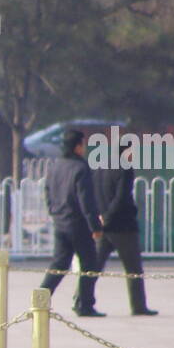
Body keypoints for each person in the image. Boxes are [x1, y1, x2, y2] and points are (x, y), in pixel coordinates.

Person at [39, 127, 104, 317]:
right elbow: (86, 201)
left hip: (60, 222)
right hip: (78, 224)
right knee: (89, 264)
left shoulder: (56, 165)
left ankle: (41, 297)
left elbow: (47, 191)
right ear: (77, 147)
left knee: (59, 264)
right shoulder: (81, 168)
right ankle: (84, 304)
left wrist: (53, 211)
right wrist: (95, 226)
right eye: (82, 145)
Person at [92, 143, 157, 315]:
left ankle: (82, 300)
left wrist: (101, 216)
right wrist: (108, 215)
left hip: (104, 226)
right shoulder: (124, 169)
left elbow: (95, 193)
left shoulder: (100, 167)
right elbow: (121, 197)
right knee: (134, 268)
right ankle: (138, 306)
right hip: (123, 227)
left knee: (94, 267)